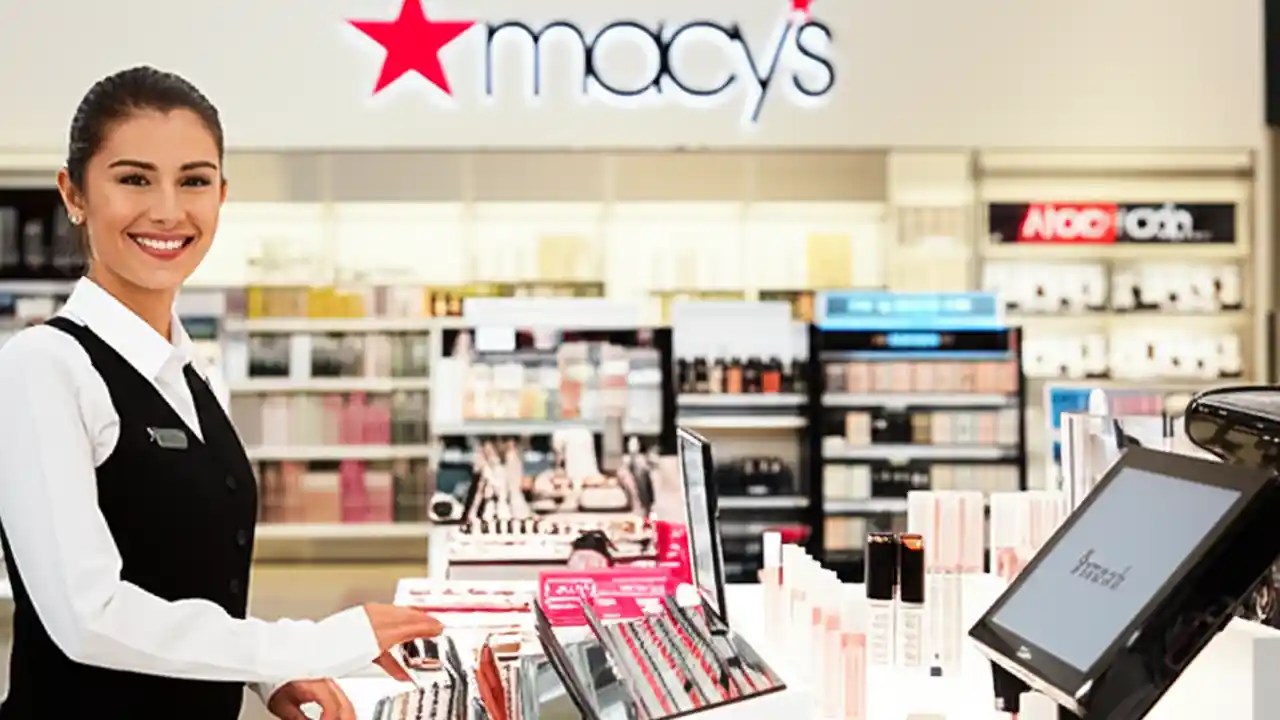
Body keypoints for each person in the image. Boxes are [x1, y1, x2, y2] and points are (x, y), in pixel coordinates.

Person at [0, 66, 443, 719]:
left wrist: (267, 677)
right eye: (133, 178)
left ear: (222, 195)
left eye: (195, 181)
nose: (169, 210)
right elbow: (87, 614)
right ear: (74, 194)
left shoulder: (189, 372)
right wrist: (307, 645)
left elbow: (186, 581)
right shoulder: (43, 366)